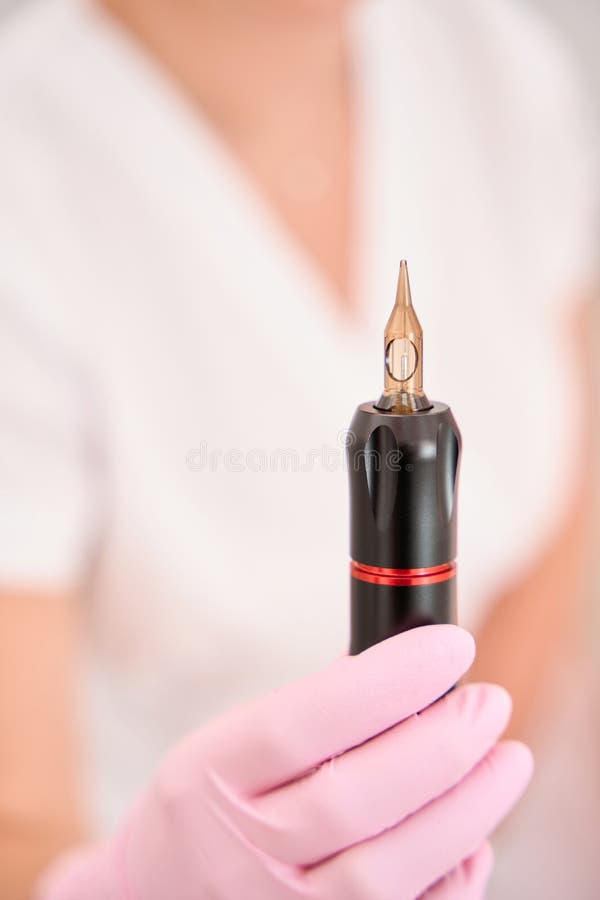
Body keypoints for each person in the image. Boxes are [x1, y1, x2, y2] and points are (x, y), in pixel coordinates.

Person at [0, 0, 596, 896]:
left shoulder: (496, 56)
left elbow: (565, 497)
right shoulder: (29, 166)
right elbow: (19, 835)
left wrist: (441, 812)